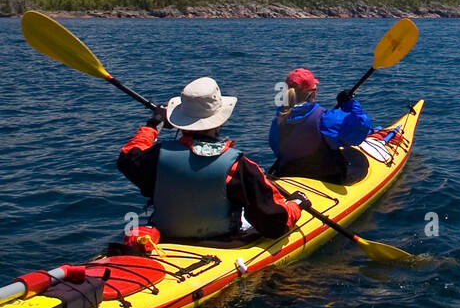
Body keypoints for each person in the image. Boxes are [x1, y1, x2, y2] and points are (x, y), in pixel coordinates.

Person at [118, 76, 303, 240]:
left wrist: (153, 123)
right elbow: (274, 223)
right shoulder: (238, 166)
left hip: (166, 238)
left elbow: (128, 155)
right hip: (222, 243)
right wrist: (296, 204)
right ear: (220, 120)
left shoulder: (156, 157)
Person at [269, 67, 371, 181]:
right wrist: (349, 104)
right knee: (359, 161)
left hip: (289, 174)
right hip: (325, 177)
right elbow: (361, 128)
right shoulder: (325, 119)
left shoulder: (277, 122)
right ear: (312, 93)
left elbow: (277, 150)